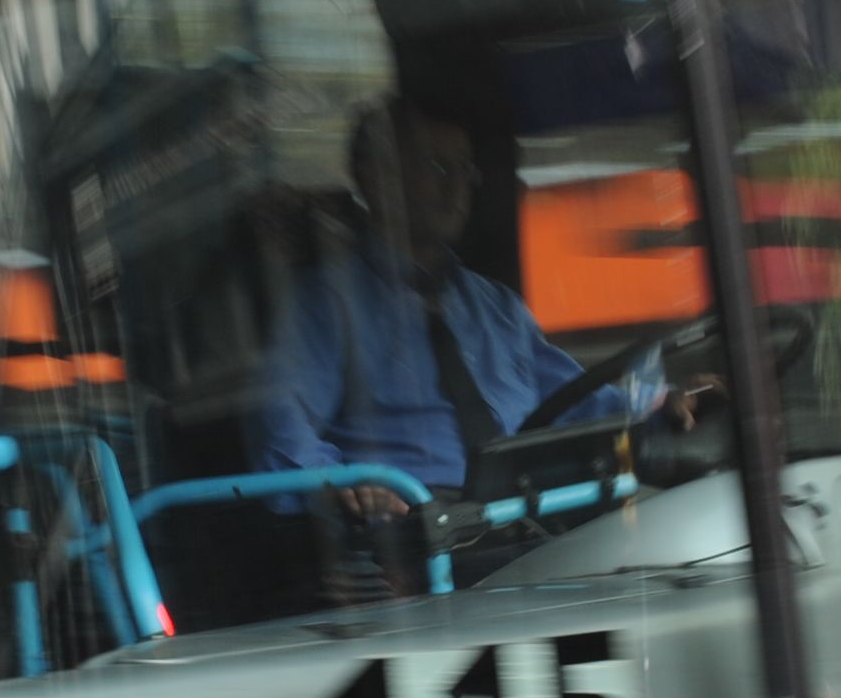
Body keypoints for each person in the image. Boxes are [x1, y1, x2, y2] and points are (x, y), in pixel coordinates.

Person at [257, 99, 654, 521]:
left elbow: (577, 400)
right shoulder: (324, 303)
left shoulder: (497, 306)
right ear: (375, 178)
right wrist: (344, 487)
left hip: (531, 514)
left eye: (465, 170)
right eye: (438, 168)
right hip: (417, 531)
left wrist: (663, 408)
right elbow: (282, 428)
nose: (457, 189)